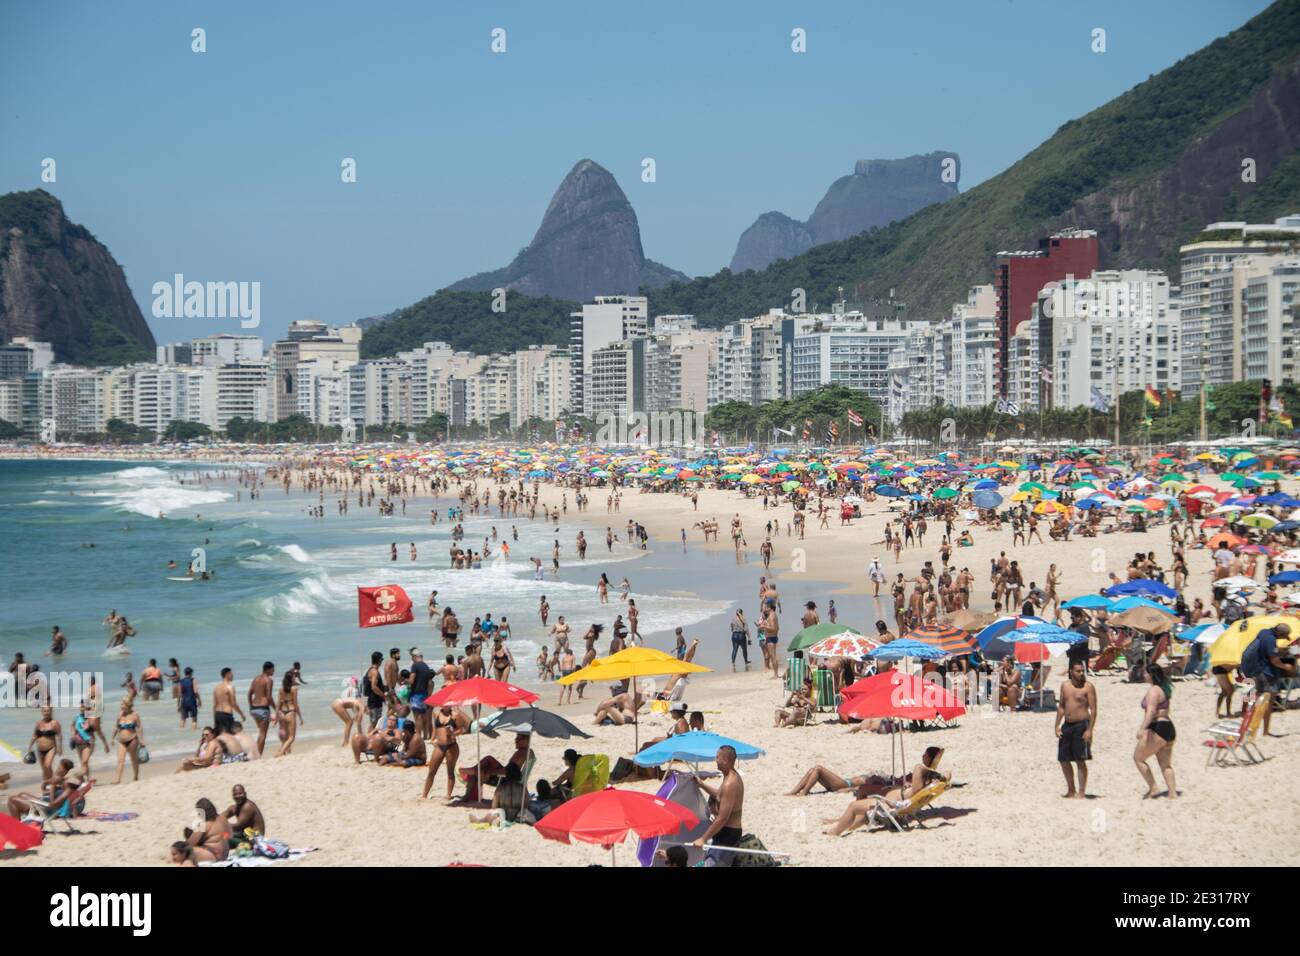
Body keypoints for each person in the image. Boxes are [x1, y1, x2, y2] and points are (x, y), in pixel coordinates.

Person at [823, 747, 949, 837]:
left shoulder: (920, 768)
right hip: (899, 808)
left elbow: (916, 791)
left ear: (929, 757)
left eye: (925, 754)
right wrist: (909, 787)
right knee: (864, 816)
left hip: (890, 805)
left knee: (854, 806)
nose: (922, 756)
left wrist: (910, 786)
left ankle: (836, 832)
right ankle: (841, 826)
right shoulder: (931, 776)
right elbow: (923, 786)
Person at [1238, 622, 1296, 736]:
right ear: (1279, 633)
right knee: (1268, 702)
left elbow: (1265, 650)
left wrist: (1279, 650)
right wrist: (1286, 667)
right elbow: (1274, 660)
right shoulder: (1271, 639)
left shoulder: (1264, 632)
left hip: (1257, 671)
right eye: (1283, 636)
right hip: (1267, 674)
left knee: (1256, 699)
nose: (1282, 639)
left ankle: (1248, 726)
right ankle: (1265, 731)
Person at [693, 746, 745, 866]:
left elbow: (723, 818)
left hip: (728, 834)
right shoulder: (729, 776)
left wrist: (703, 839)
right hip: (724, 832)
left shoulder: (730, 783)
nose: (715, 760)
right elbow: (720, 795)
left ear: (725, 760)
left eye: (717, 757)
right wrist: (701, 785)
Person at [1055, 661, 1097, 799]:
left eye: (1082, 671)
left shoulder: (1088, 687)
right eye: (1078, 671)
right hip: (1067, 725)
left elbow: (1094, 710)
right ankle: (1071, 790)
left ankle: (1082, 791)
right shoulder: (1065, 686)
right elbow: (1061, 706)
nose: (1081, 674)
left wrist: (1089, 730)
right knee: (1063, 759)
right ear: (1071, 672)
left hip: (1082, 725)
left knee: (1080, 759)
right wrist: (1056, 725)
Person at [1134, 663, 1177, 800]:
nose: (1144, 675)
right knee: (1165, 764)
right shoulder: (1164, 689)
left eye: (1146, 673)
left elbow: (1151, 711)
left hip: (1158, 727)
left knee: (1138, 758)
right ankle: (1172, 793)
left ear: (1151, 675)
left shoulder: (1153, 691)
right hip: (1168, 727)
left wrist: (1143, 728)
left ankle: (1153, 788)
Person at [422, 705, 465, 801]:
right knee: (431, 771)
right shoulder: (436, 713)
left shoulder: (455, 715)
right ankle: (424, 795)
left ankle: (448, 794)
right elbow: (435, 728)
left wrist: (453, 733)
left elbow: (462, 730)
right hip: (439, 746)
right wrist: (432, 738)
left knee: (450, 771)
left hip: (451, 745)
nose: (446, 705)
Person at [183, 798, 231, 863]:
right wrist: (221, 839)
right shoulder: (223, 818)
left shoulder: (204, 824)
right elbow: (230, 834)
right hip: (225, 854)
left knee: (185, 851)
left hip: (212, 854)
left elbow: (190, 843)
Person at [111, 698, 144, 785]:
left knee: (134, 760)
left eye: (123, 705)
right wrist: (112, 738)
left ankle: (136, 776)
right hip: (121, 741)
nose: (121, 706)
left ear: (128, 705)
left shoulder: (135, 715)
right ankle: (117, 779)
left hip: (132, 739)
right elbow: (116, 727)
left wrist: (141, 740)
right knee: (120, 760)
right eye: (121, 705)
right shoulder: (120, 715)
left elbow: (139, 728)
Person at [274, 671, 302, 757]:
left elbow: (278, 704)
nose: (295, 679)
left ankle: (284, 752)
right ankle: (280, 752)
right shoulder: (294, 689)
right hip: (290, 712)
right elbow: (295, 704)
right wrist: (300, 717)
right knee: (291, 737)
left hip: (282, 713)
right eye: (294, 677)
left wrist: (276, 717)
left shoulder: (280, 690)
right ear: (291, 679)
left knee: (285, 737)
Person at [213, 667, 245, 737]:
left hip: (217, 714)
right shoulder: (230, 687)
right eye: (231, 674)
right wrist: (241, 714)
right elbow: (233, 703)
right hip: (226, 714)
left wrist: (214, 718)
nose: (233, 675)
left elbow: (214, 705)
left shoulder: (216, 687)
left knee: (220, 736)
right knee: (230, 736)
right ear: (227, 674)